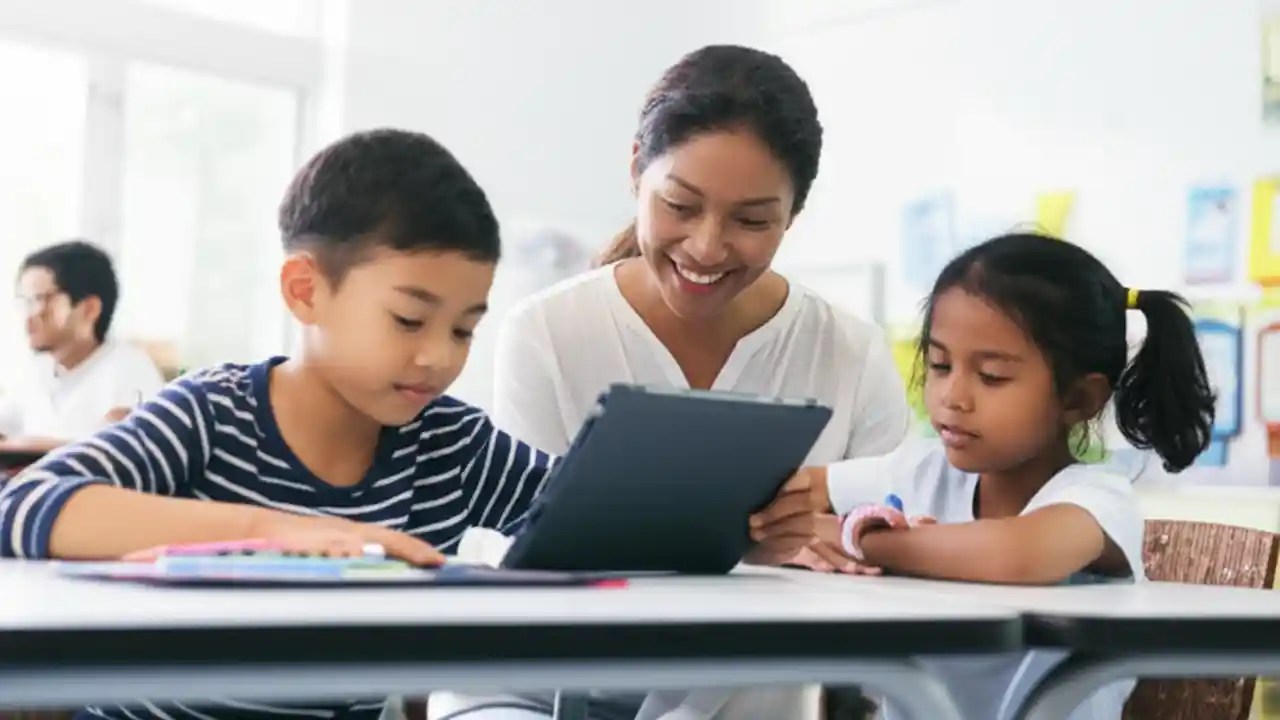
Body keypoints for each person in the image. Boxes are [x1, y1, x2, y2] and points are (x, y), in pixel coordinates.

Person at [460, 44, 910, 720]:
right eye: (680, 205)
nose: (706, 247)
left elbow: (902, 540)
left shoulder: (847, 350)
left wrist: (839, 539)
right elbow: (528, 547)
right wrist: (741, 550)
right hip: (548, 683)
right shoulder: (549, 333)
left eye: (752, 220)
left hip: (753, 693)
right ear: (636, 169)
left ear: (793, 215)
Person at [755, 233, 1216, 720]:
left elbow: (1018, 554)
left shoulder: (1097, 498)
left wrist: (862, 540)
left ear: (1080, 399)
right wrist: (797, 535)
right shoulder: (919, 469)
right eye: (939, 364)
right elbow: (781, 492)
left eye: (991, 376)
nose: (953, 396)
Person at [0, 241, 163, 456]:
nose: (29, 316)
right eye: (25, 301)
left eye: (40, 300)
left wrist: (23, 446)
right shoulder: (34, 372)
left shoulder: (130, 368)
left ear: (89, 309)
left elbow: (118, 452)